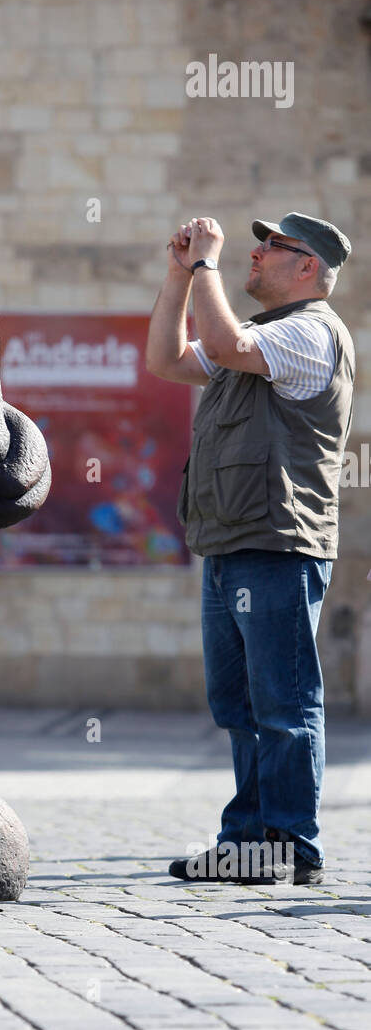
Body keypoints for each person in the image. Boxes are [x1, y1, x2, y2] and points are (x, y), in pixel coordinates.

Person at [146, 211, 354, 884]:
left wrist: (207, 264)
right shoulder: (261, 333)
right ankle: (246, 842)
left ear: (308, 269)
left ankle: (291, 843)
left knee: (285, 706)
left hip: (279, 544)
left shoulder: (310, 333)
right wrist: (180, 276)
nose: (257, 253)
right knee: (239, 707)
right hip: (230, 542)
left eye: (275, 247)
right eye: (259, 244)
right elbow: (167, 361)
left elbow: (227, 347)